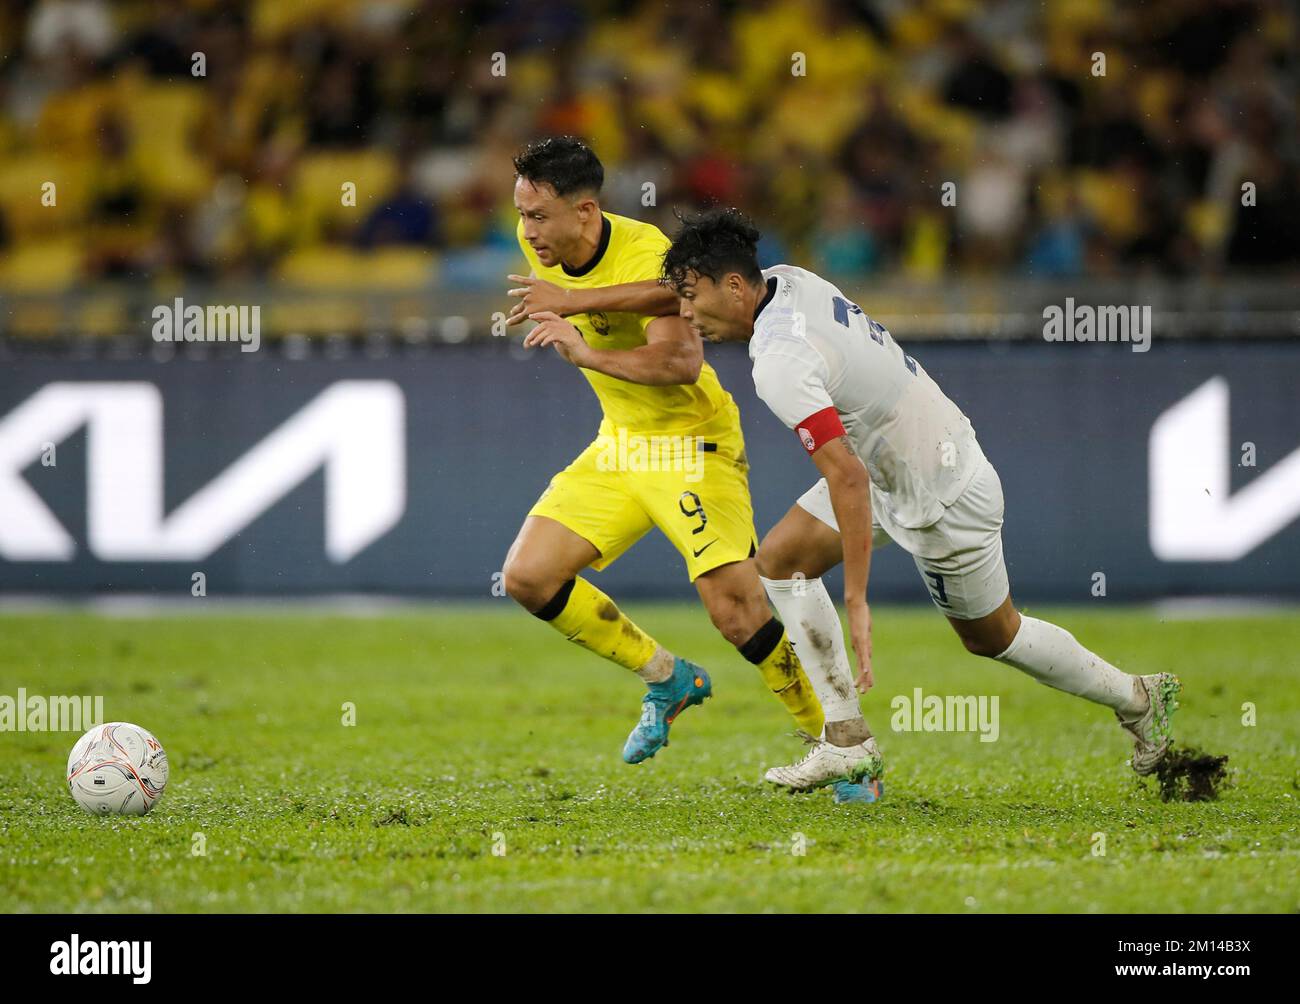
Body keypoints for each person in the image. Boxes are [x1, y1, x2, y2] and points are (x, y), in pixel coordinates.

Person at [500, 140, 837, 771]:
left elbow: (683, 362)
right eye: (522, 214)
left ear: (587, 212)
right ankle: (668, 678)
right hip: (621, 442)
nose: (527, 231)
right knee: (528, 576)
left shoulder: (650, 254)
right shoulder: (541, 251)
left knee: (736, 610)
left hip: (691, 443)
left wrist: (586, 348)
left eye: (540, 216)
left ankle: (839, 744)